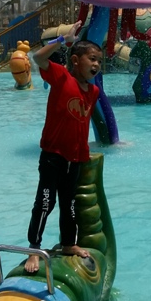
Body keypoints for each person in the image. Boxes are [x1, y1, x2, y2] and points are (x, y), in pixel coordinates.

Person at [24, 22, 102, 274]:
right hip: (53, 156)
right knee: (45, 202)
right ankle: (34, 248)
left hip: (75, 157)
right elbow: (37, 57)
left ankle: (69, 244)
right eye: (92, 59)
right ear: (76, 60)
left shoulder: (93, 91)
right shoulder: (61, 76)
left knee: (69, 204)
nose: (96, 65)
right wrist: (62, 40)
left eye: (99, 61)